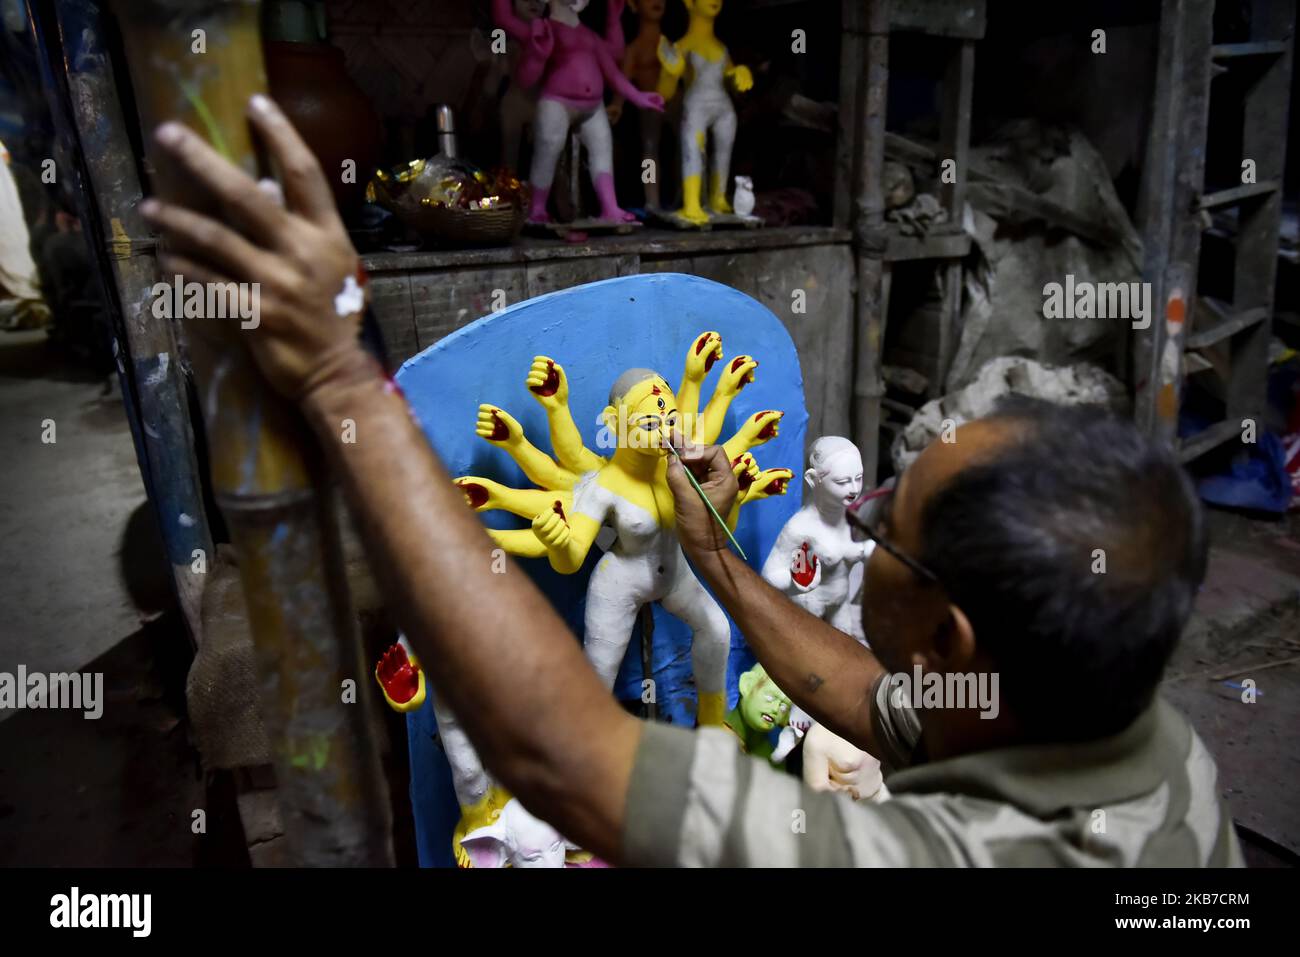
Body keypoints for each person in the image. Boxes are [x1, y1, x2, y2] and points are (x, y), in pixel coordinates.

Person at [140, 95, 1241, 866]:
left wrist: (339, 374)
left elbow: (563, 752)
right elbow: (859, 691)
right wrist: (711, 551)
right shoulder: (1112, 732)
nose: (851, 525)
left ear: (952, 638)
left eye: (881, 526)